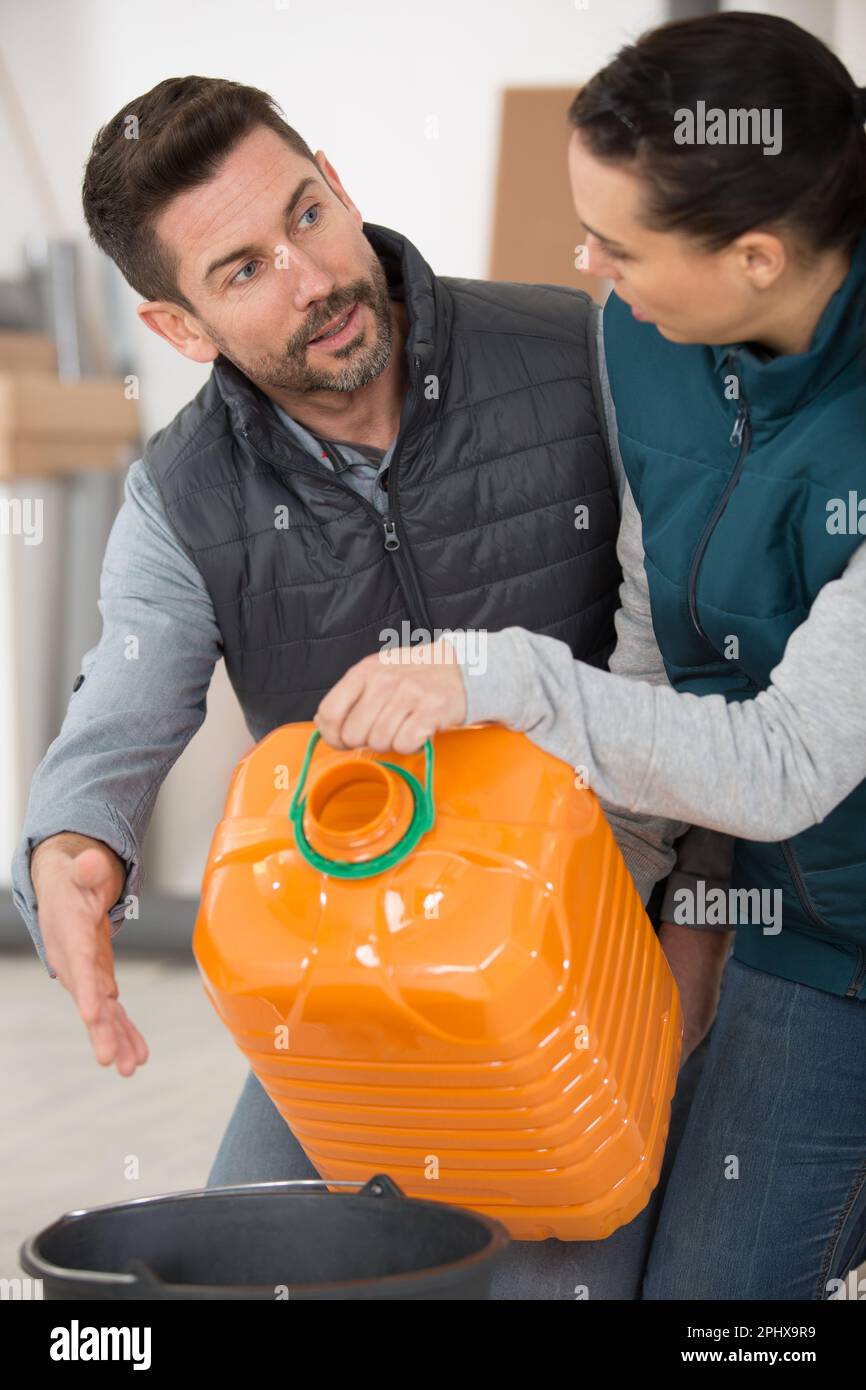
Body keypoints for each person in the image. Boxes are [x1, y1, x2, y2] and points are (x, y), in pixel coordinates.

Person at [11, 75, 731, 1300]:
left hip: (621, 938)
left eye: (304, 215)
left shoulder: (583, 360)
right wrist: (73, 840)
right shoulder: (180, 502)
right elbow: (117, 714)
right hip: (361, 969)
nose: (310, 279)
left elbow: (702, 661)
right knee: (240, 1280)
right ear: (178, 327)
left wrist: (687, 916)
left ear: (338, 183)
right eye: (239, 270)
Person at [314, 12, 866, 1300]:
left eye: (617, 245)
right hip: (789, 913)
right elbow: (647, 624)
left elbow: (788, 762)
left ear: (755, 256)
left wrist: (496, 676)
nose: (584, 265)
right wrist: (600, 889)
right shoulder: (644, 335)